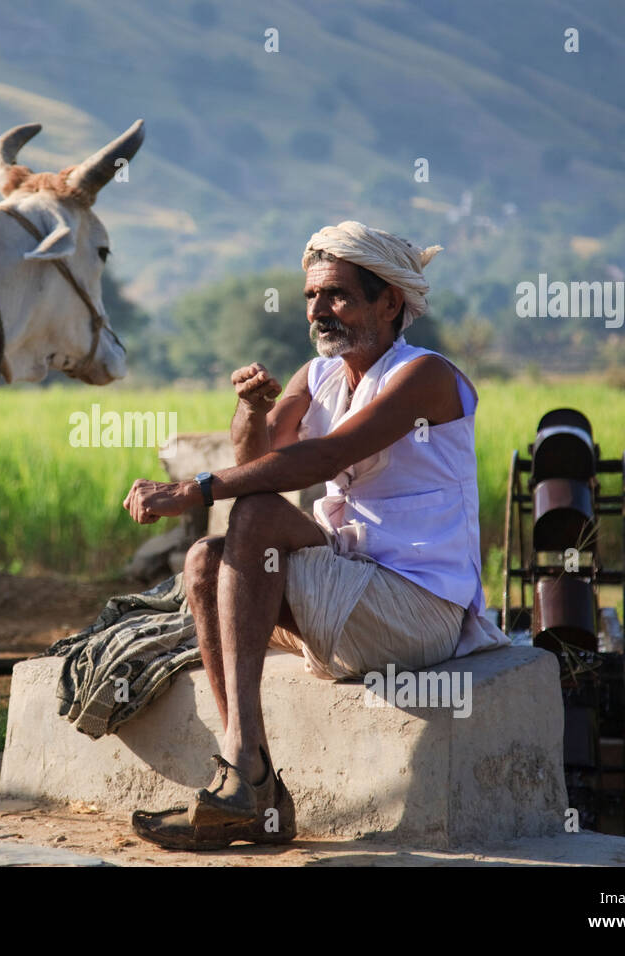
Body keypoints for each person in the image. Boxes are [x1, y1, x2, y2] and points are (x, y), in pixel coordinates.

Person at [121, 221, 509, 851]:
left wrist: (190, 491)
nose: (319, 310)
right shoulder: (321, 374)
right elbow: (259, 458)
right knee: (200, 561)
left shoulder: (426, 376)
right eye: (311, 296)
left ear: (389, 303)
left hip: (417, 607)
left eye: (336, 295)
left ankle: (242, 773)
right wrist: (250, 410)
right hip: (351, 585)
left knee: (255, 519)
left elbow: (322, 459)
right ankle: (251, 780)